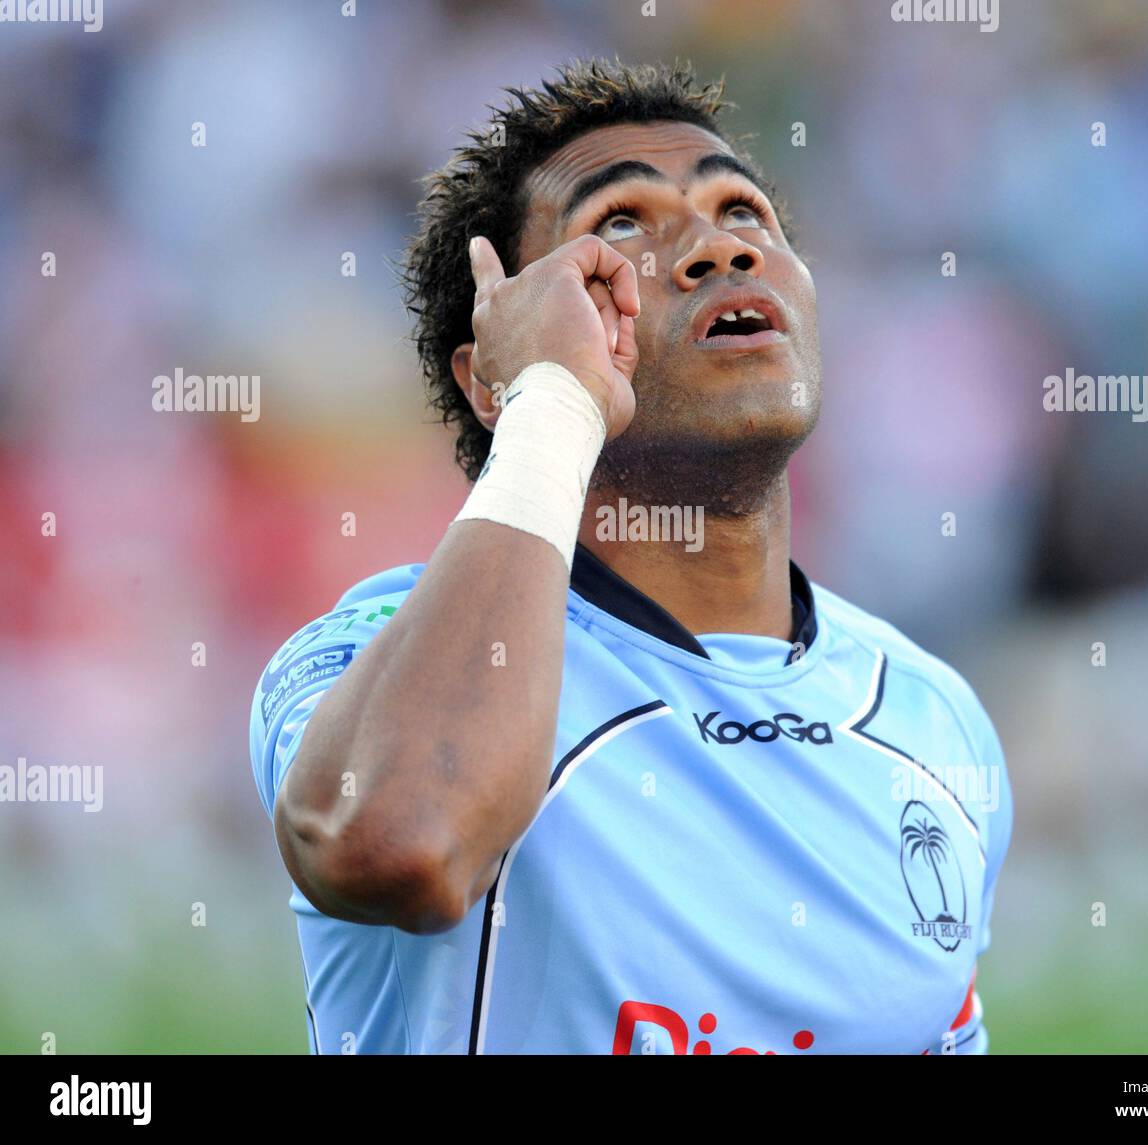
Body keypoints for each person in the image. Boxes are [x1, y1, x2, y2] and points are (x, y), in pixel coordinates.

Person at [249, 58, 1013, 1055]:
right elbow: (401, 841)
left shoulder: (930, 712)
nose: (715, 246)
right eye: (619, 228)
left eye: (742, 210)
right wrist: (555, 403)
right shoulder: (380, 657)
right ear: (496, 376)